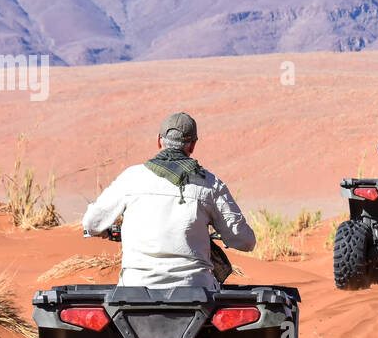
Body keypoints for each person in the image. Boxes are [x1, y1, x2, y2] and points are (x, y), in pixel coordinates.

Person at [81, 112, 255, 288]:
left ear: (158, 140)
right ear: (193, 145)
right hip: (196, 289)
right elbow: (245, 241)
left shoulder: (131, 178)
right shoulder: (211, 184)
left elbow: (91, 223)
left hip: (135, 288)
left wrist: (101, 231)